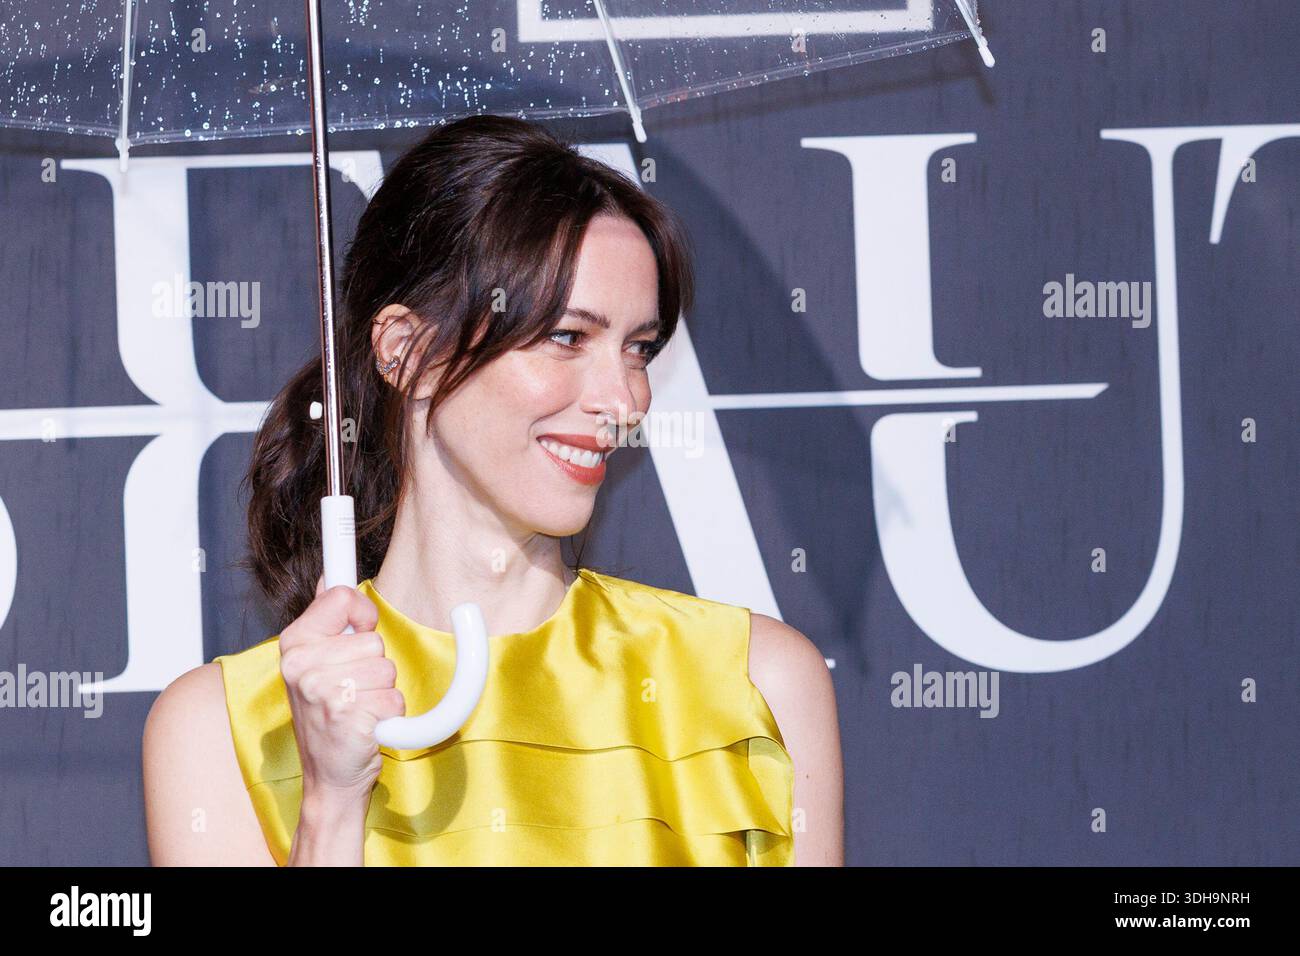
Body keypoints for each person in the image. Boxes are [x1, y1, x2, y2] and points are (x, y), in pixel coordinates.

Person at [142, 115, 843, 866]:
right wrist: (332, 808)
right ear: (407, 351)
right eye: (568, 338)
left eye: (638, 348)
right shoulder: (220, 729)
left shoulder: (754, 684)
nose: (624, 400)